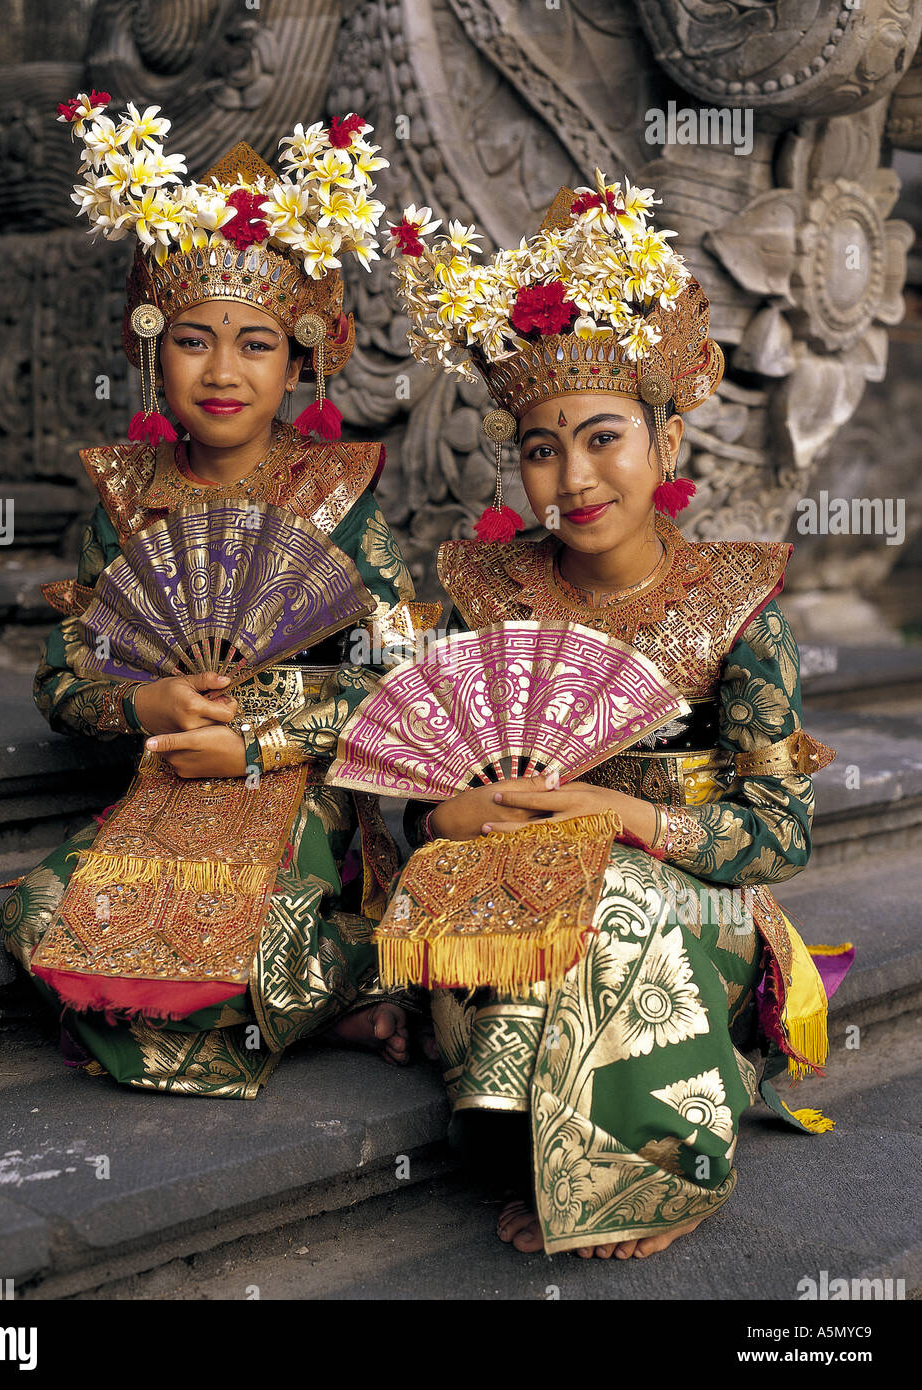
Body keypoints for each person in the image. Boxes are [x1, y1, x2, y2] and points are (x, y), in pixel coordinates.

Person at [385, 172, 847, 1255]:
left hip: (688, 914)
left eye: (603, 438)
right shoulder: (485, 592)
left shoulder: (737, 613)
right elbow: (407, 785)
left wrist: (619, 814)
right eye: (542, 449)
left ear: (666, 442)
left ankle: (655, 1174)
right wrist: (438, 823)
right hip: (519, 897)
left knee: (617, 896)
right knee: (500, 887)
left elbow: (779, 833)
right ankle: (521, 1130)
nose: (572, 477)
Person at [0, 94, 431, 1097]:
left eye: (256, 343)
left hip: (306, 793)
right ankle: (330, 1011)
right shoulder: (124, 502)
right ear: (155, 351)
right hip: (166, 786)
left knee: (261, 941)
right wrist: (136, 703)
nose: (224, 371)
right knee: (39, 922)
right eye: (196, 340)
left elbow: (409, 688)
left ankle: (350, 975)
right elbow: (64, 675)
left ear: (300, 359)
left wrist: (261, 731)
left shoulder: (340, 501)